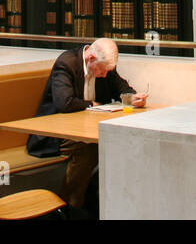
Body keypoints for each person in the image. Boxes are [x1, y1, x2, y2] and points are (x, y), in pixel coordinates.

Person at [26, 38, 146, 215]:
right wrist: (93, 105)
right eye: (103, 70)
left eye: (108, 71)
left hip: (85, 130)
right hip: (54, 134)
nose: (105, 75)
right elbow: (64, 103)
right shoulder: (66, 63)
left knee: (117, 145)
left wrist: (133, 98)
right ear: (90, 58)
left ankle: (93, 202)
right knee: (88, 149)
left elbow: (122, 87)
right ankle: (68, 208)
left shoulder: (103, 66)